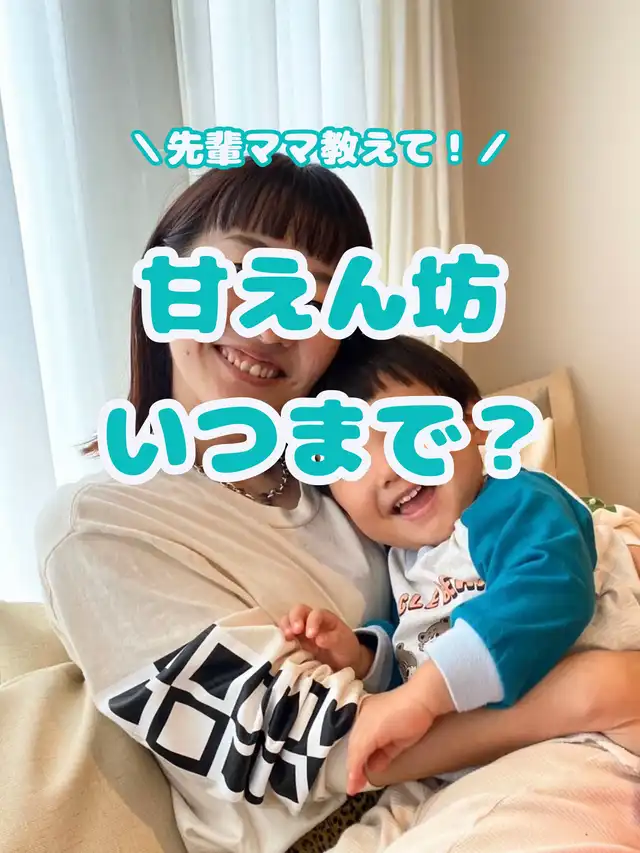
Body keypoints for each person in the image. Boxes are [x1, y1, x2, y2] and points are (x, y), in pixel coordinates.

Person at [36, 156, 640, 853]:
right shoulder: (100, 524)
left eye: (318, 301)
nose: (271, 323)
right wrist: (595, 691)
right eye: (248, 271)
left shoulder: (350, 483)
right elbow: (303, 749)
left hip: (512, 773)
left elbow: (501, 562)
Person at [281, 335, 640, 795]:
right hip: (510, 756)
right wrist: (364, 657)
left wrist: (423, 695)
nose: (388, 469)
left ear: (474, 424)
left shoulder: (514, 501)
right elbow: (421, 651)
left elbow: (548, 593)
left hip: (605, 732)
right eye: (350, 462)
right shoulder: (405, 563)